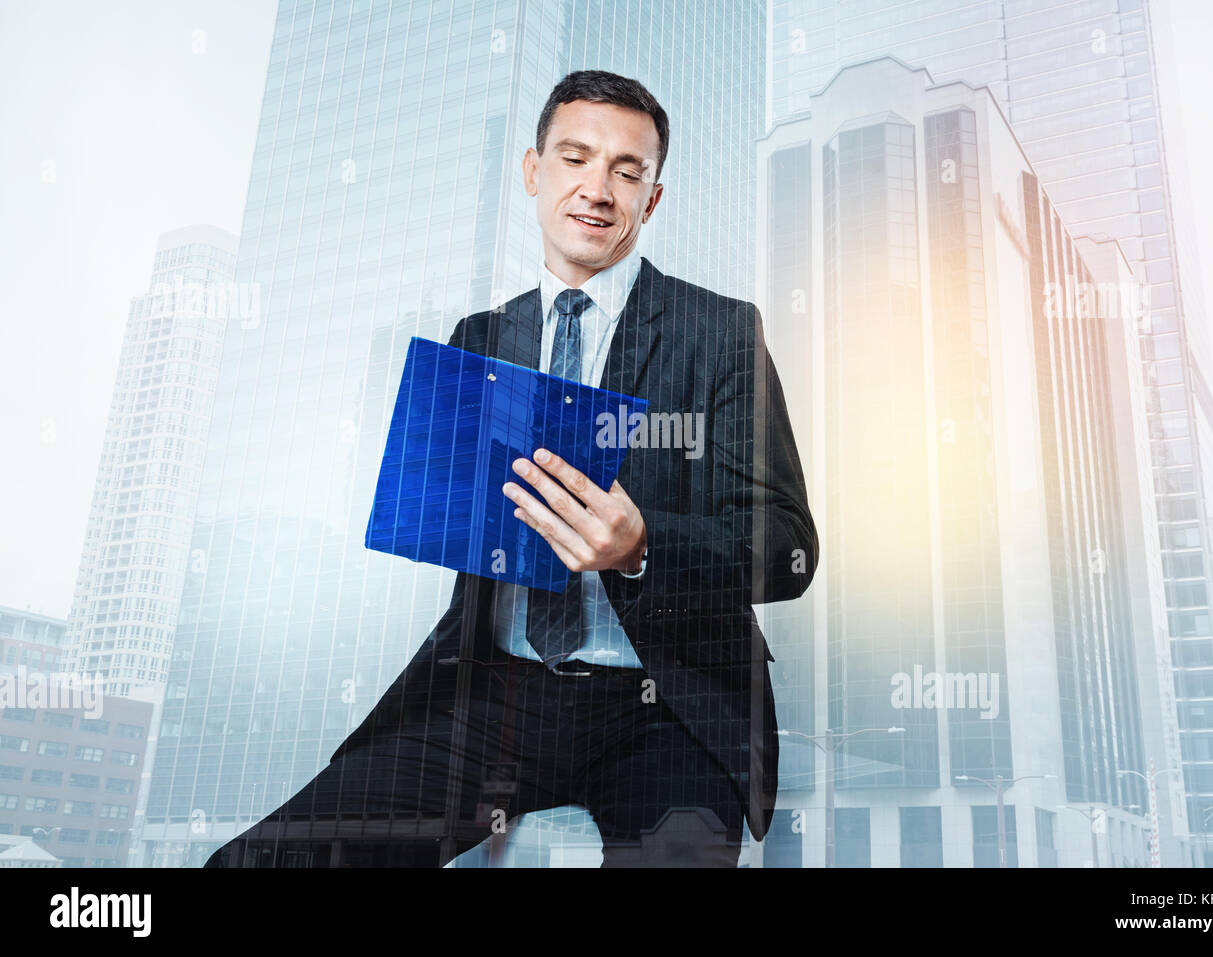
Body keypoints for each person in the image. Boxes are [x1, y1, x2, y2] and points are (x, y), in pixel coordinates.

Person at [205, 69, 817, 868]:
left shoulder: (723, 331)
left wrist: (643, 546)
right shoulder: (480, 338)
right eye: (575, 158)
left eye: (626, 172)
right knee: (259, 862)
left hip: (665, 703)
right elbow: (456, 521)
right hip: (495, 694)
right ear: (535, 173)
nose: (597, 188)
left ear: (651, 199)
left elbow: (788, 547)